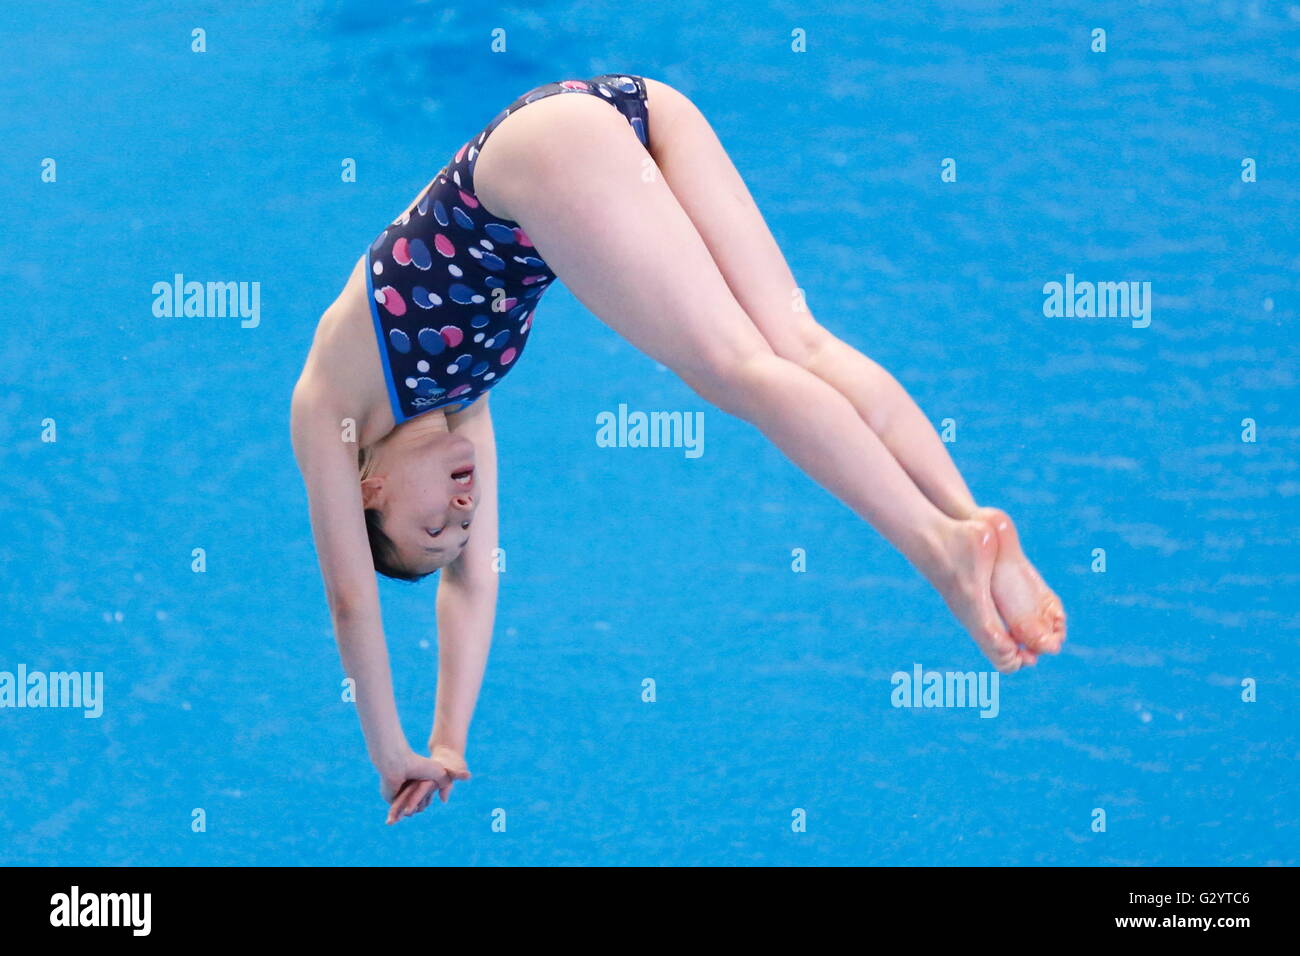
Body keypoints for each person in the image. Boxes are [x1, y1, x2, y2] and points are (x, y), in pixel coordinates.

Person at [289, 74, 1067, 824]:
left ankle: (945, 553)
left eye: (434, 528)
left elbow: (350, 598)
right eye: (461, 525)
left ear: (371, 490)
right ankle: (968, 519)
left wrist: (389, 752)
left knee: (737, 371)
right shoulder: (461, 397)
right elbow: (471, 586)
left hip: (552, 150)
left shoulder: (329, 407)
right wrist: (449, 739)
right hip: (631, 109)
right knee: (797, 344)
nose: (463, 514)